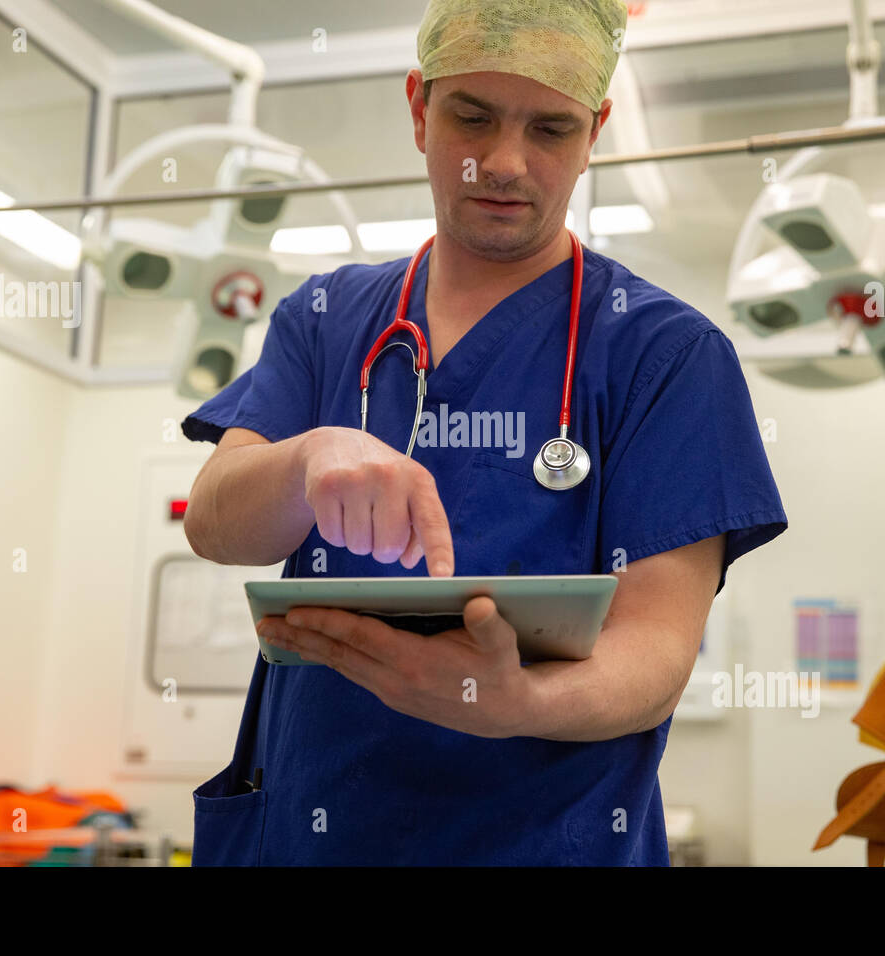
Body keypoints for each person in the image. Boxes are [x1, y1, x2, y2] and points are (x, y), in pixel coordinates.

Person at [181, 0, 788, 865]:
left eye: (551, 127)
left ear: (595, 132)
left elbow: (656, 649)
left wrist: (516, 706)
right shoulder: (325, 319)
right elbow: (214, 523)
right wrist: (308, 460)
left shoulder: (666, 354)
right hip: (312, 829)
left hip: (550, 841)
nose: (506, 162)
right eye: (473, 116)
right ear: (419, 108)